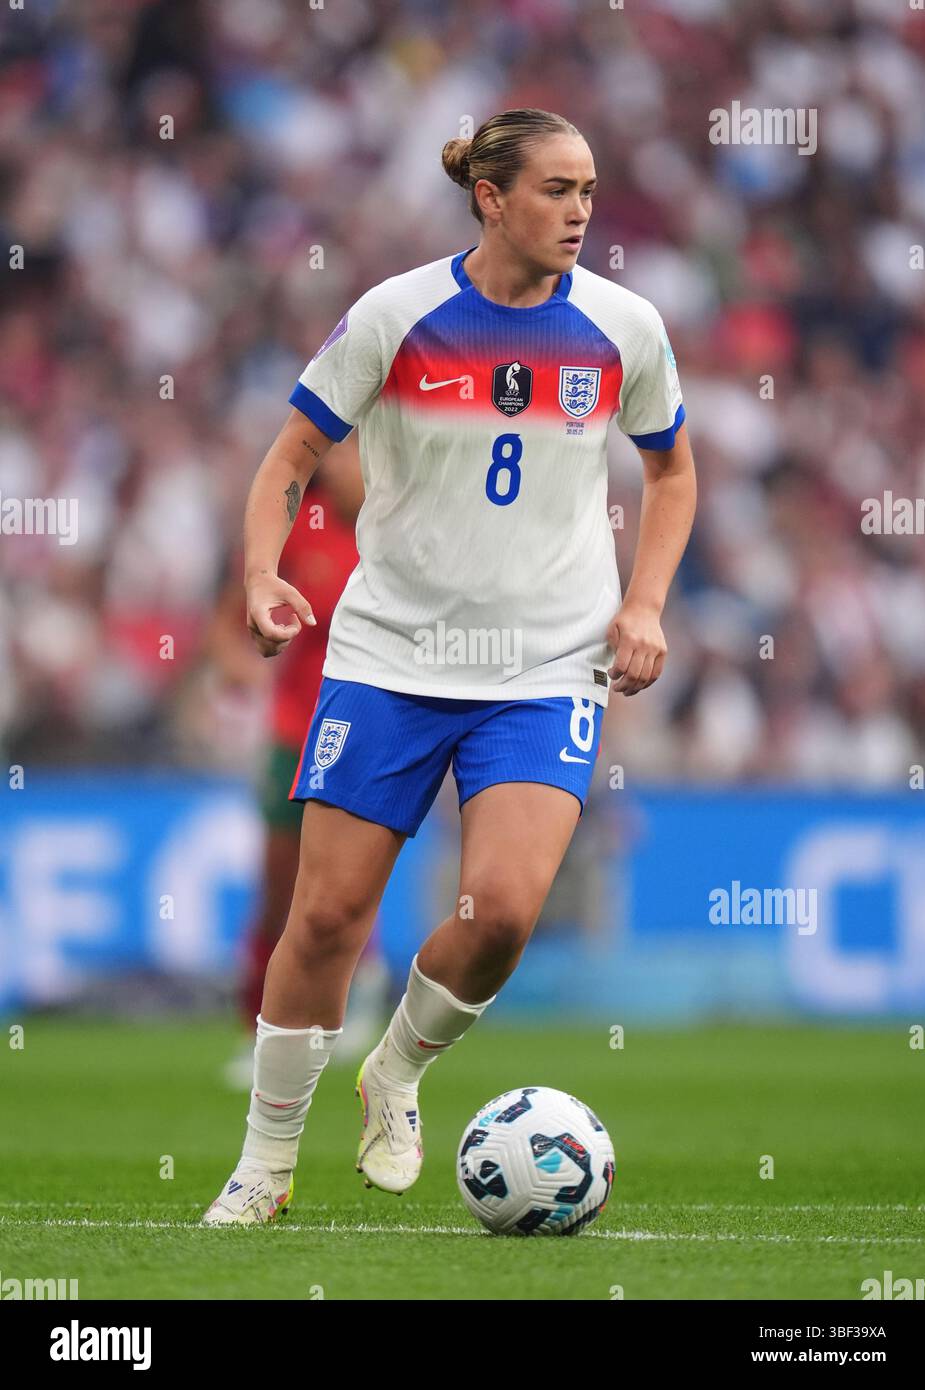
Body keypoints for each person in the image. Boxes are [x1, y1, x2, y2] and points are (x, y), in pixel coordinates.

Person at [203, 107, 696, 1225]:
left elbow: (672, 474)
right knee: (325, 917)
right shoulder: (397, 314)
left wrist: (647, 601)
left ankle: (397, 1071)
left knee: (506, 912)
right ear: (490, 197)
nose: (580, 209)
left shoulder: (625, 326)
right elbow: (291, 454)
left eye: (590, 188)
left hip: (545, 661)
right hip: (392, 653)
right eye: (557, 189)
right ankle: (265, 1167)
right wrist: (260, 572)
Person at [206, 450, 390, 1090]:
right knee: (279, 893)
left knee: (348, 883)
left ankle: (352, 1002)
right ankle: (254, 1027)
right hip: (296, 733)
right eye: (333, 454)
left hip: (372, 729)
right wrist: (241, 658)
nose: (337, 467)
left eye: (351, 454)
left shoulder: (400, 523)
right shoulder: (297, 526)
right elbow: (232, 620)